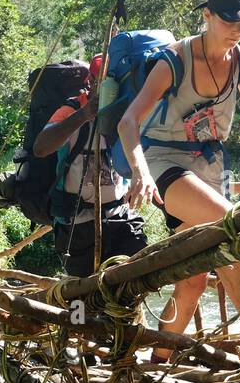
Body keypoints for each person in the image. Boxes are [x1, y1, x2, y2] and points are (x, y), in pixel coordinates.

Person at [116, 0, 240, 354]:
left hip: (210, 168)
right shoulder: (174, 61)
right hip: (163, 162)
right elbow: (128, 122)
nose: (238, 29)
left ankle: (157, 360)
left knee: (193, 281)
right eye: (230, 21)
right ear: (207, 15)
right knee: (231, 223)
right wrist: (140, 172)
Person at [32, 55, 151, 277]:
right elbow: (41, 148)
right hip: (78, 222)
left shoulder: (129, 112)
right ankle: (79, 313)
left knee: (135, 280)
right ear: (91, 83)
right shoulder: (71, 109)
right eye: (103, 84)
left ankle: (125, 313)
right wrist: (84, 115)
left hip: (121, 215)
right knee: (82, 294)